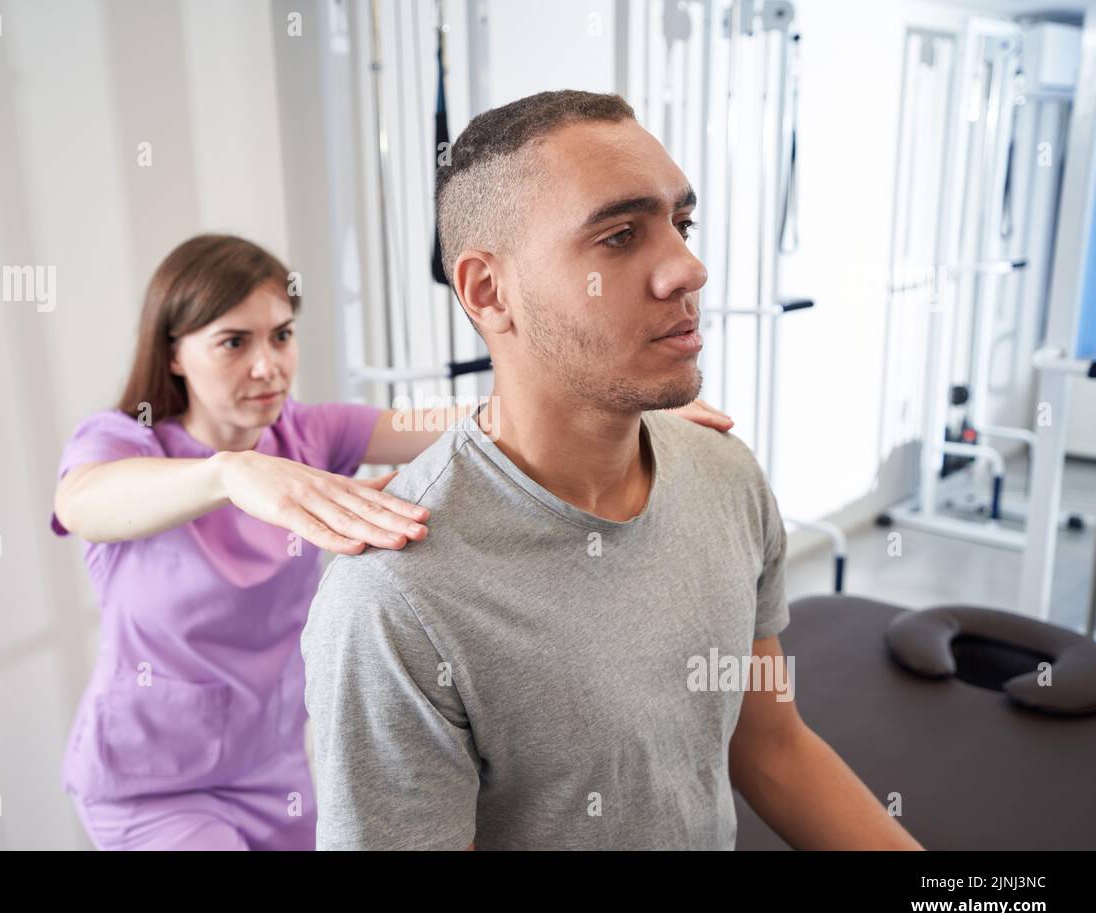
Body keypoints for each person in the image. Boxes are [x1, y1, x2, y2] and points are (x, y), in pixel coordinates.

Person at [301, 90, 924, 850]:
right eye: (621, 236)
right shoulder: (392, 600)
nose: (687, 269)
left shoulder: (725, 475)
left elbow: (773, 749)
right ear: (489, 292)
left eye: (682, 225)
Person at [50, 232, 733, 850]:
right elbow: (81, 504)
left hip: (278, 773)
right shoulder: (125, 443)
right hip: (152, 783)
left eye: (282, 337)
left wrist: (612, 402)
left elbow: (470, 421)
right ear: (173, 353)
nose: (268, 368)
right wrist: (231, 472)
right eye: (234, 342)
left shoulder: (311, 433)